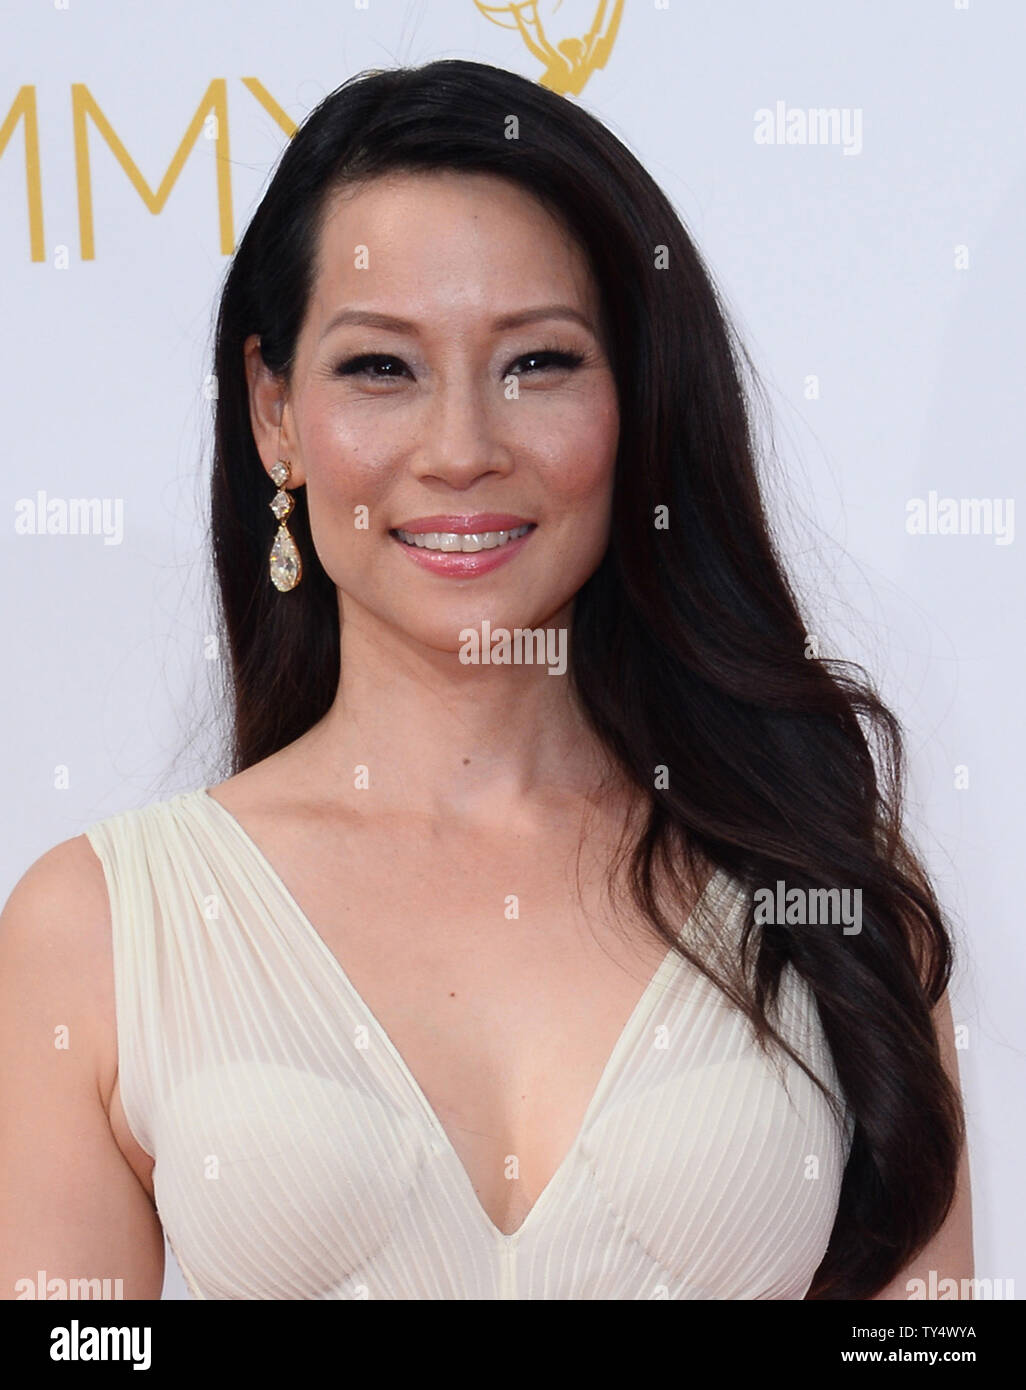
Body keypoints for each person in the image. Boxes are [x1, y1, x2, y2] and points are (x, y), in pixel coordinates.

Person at [0, 59, 970, 1301]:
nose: (462, 449)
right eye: (381, 369)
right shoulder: (96, 925)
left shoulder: (833, 895)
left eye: (538, 364)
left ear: (639, 400)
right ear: (274, 414)